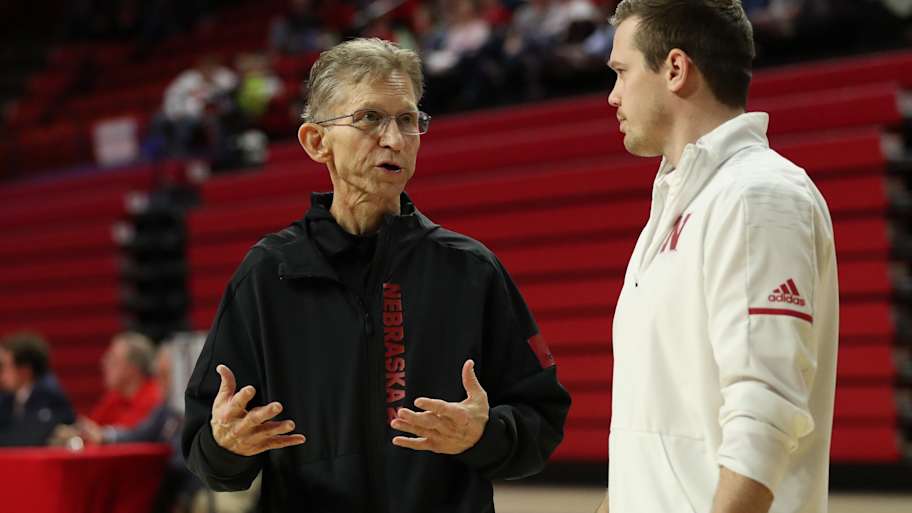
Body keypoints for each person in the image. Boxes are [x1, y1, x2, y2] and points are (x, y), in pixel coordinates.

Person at [182, 38, 571, 513]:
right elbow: (206, 451)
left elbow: (542, 420)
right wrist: (228, 446)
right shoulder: (267, 275)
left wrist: (484, 435)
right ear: (316, 141)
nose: (394, 139)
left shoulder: (470, 270)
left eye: (408, 120)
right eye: (369, 118)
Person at [595, 2, 838, 513]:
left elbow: (763, 419)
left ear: (676, 70)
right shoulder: (678, 202)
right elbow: (651, 433)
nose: (613, 95)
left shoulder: (757, 196)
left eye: (621, 72)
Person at [0, 332, 76, 446]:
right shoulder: (7, 398)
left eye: (4, 366)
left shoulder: (51, 399)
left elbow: (24, 441)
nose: (2, 375)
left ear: (25, 370)